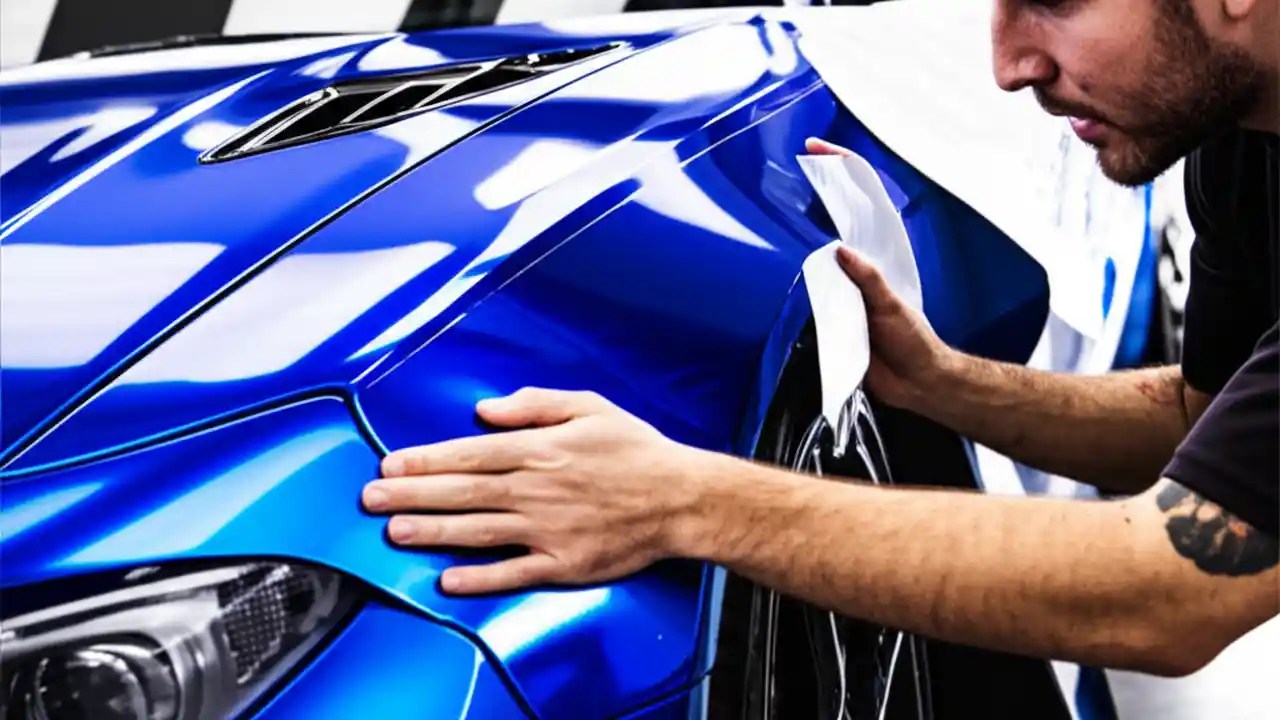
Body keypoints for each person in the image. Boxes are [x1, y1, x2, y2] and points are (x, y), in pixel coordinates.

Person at [360, 0, 1278, 676]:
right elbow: (1200, 427)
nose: (1008, 64)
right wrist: (945, 385)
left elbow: (1167, 585)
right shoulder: (1242, 137)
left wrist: (684, 503)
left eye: (1052, 3)